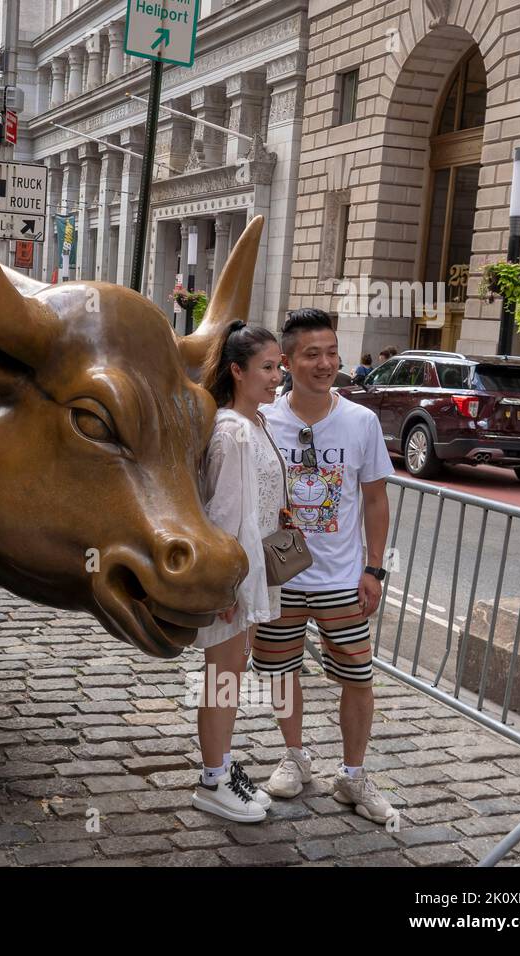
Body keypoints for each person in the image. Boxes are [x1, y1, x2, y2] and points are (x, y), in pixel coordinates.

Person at [255, 308, 397, 823]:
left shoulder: (361, 421)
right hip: (278, 574)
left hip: (341, 578)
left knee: (358, 678)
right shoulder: (262, 419)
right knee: (280, 671)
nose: (325, 363)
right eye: (311, 354)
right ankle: (295, 757)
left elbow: (376, 501)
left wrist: (374, 570)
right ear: (288, 362)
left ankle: (353, 776)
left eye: (331, 352)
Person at [188, 321, 287, 824]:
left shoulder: (253, 425)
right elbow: (224, 514)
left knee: (229, 673)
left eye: (277, 367)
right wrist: (226, 583)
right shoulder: (232, 431)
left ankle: (221, 767)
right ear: (236, 370)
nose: (276, 377)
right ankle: (212, 779)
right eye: (267, 368)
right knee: (221, 677)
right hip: (235, 577)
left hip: (248, 574)